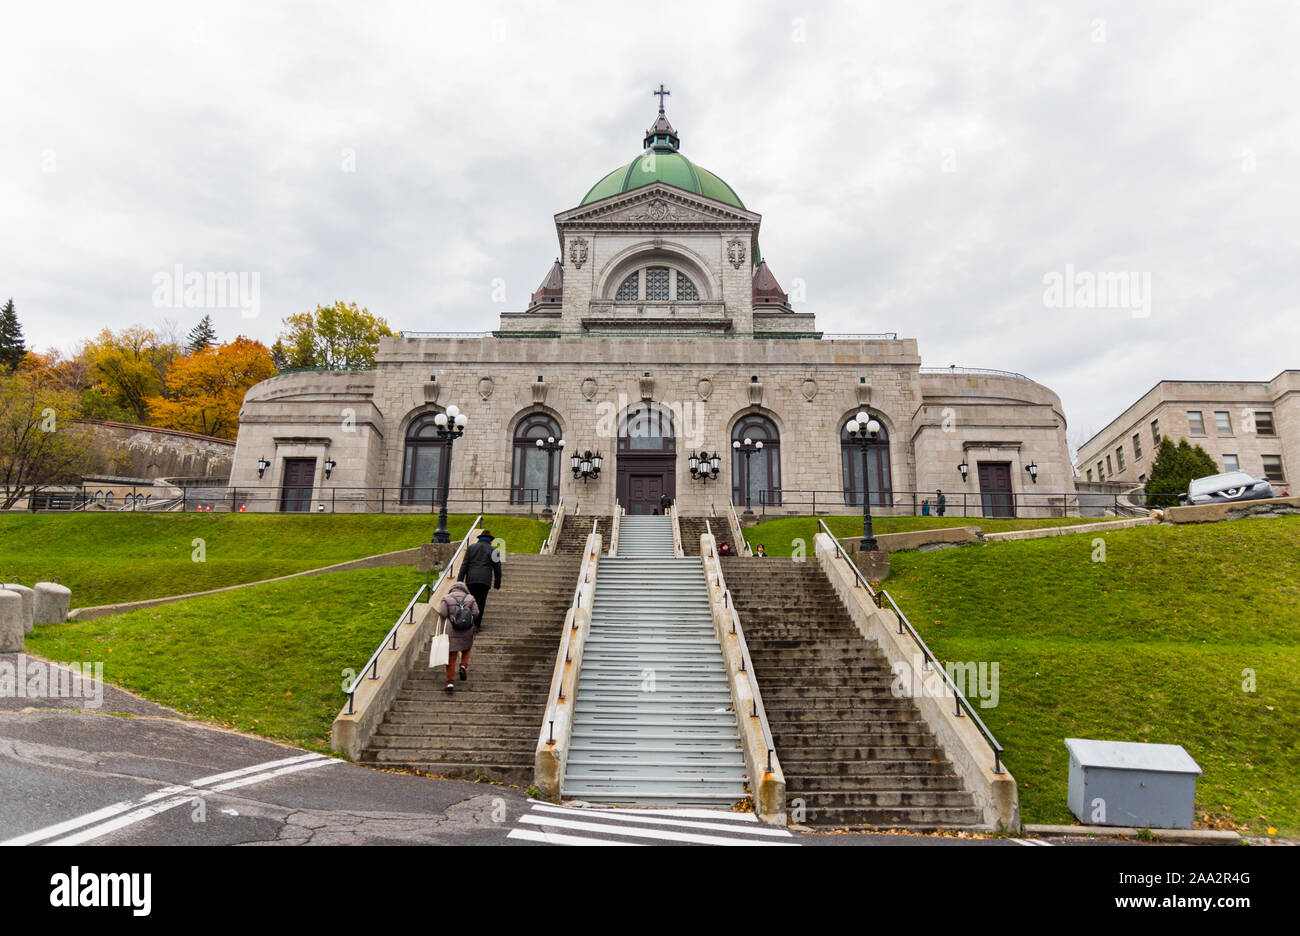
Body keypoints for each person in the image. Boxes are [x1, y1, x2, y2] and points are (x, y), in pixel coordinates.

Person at [438, 581, 480, 692]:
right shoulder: (470, 598)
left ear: (453, 588)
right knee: (467, 648)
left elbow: (442, 613)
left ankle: (450, 683)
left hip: (452, 629)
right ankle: (463, 665)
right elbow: (476, 612)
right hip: (467, 628)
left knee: (451, 656)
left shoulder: (446, 598)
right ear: (464, 589)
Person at [457, 528, 501, 632]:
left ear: (480, 538)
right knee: (481, 602)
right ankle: (477, 625)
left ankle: (466, 621)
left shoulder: (471, 548)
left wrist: (459, 580)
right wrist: (497, 583)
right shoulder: (494, 550)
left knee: (469, 601)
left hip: (471, 579)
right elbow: (497, 567)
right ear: (490, 540)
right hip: (484, 581)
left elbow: (464, 565)